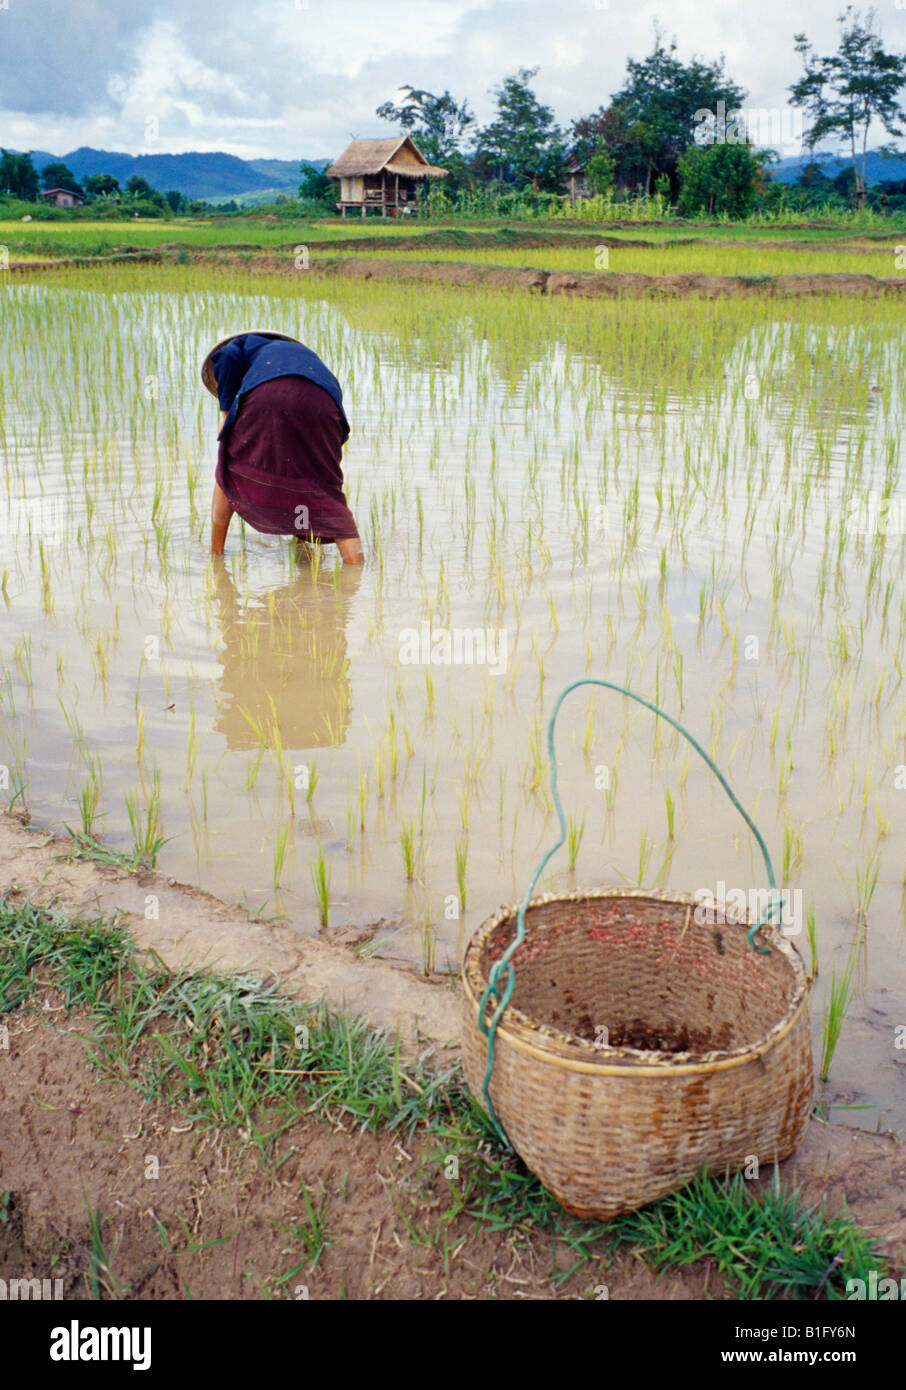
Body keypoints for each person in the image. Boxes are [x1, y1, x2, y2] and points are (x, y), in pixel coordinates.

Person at [200, 330, 364, 563]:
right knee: (318, 485)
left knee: (228, 470)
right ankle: (355, 564)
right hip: (325, 405)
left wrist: (226, 413)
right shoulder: (305, 358)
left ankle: (216, 554)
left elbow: (225, 357)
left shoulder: (243, 345)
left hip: (268, 394)